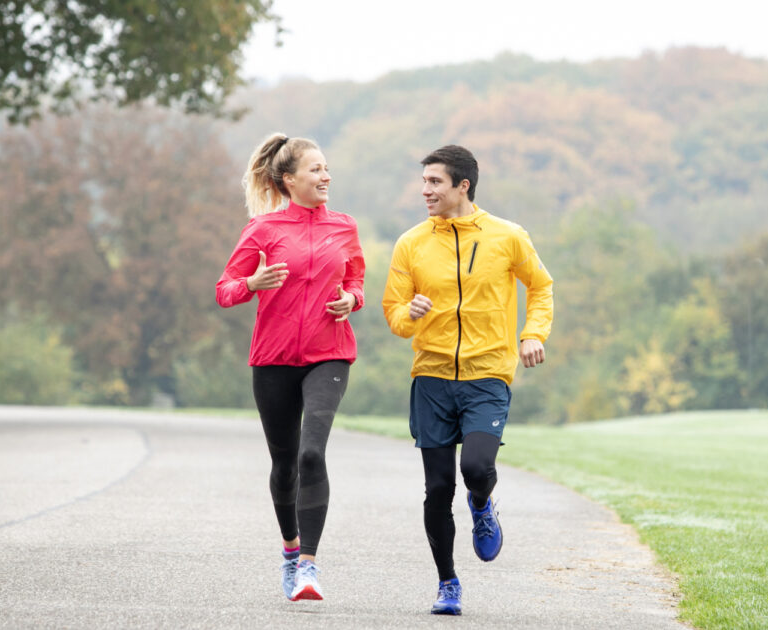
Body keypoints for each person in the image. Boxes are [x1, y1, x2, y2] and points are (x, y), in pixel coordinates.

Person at [382, 145, 554, 615]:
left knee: (476, 469)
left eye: (435, 182)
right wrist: (409, 313)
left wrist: (531, 334)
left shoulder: (507, 237)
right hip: (432, 378)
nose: (425, 191)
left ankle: (483, 503)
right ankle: (447, 583)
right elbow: (393, 314)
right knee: (437, 489)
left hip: (487, 376)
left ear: (464, 185)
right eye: (423, 182)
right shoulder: (411, 243)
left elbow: (540, 286)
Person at [216, 134, 365, 602]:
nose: (326, 176)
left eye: (326, 168)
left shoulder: (344, 226)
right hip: (273, 359)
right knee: (284, 463)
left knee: (310, 454)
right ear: (289, 179)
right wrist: (251, 282)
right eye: (316, 169)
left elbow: (356, 279)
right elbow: (225, 290)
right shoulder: (262, 230)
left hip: (330, 353)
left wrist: (351, 299)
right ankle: (290, 549)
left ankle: (309, 568)